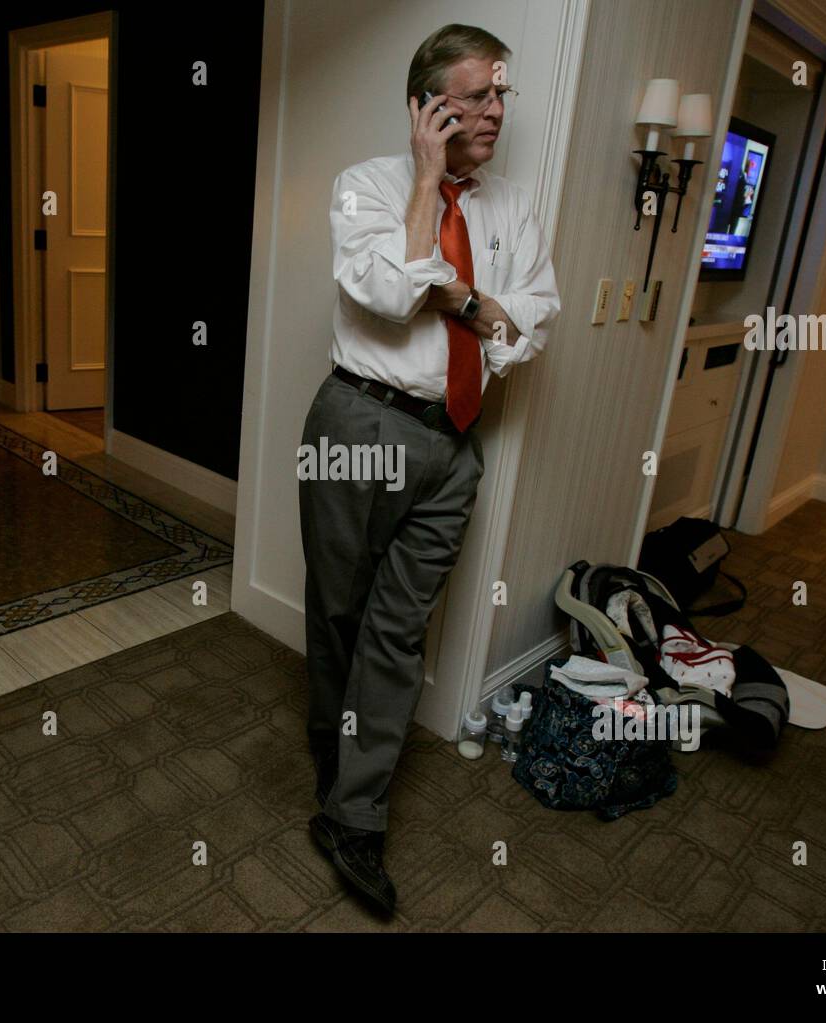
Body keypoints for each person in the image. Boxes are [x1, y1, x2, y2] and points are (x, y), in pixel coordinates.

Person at [301, 23, 560, 916]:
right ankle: (335, 753)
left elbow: (530, 325)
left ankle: (353, 814)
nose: (494, 111)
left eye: (501, 95)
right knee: (338, 608)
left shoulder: (513, 209)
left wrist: (468, 297)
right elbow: (388, 288)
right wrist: (424, 183)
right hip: (358, 421)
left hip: (453, 444)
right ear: (427, 107)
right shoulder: (365, 186)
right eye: (475, 97)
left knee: (397, 632)